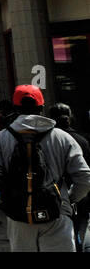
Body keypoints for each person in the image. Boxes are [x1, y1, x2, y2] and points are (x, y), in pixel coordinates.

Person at [0, 85, 90, 252]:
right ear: (42, 108)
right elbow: (85, 177)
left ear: (15, 109)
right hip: (57, 213)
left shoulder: (0, 139)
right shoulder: (62, 137)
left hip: (19, 215)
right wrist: (68, 199)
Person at [50, 103, 90, 252]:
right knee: (80, 230)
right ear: (70, 117)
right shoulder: (82, 140)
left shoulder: (49, 141)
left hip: (57, 197)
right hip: (81, 196)